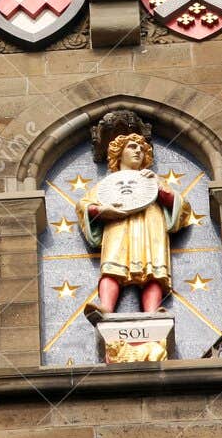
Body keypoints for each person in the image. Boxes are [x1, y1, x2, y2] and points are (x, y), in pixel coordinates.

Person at [79, 132, 187, 314]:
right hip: (118, 224)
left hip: (150, 223)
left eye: (142, 149)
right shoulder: (107, 184)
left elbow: (181, 206)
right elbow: (83, 205)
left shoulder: (153, 179)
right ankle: (105, 307)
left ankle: (153, 312)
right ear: (119, 153)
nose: (139, 151)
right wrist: (101, 211)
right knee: (112, 264)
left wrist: (159, 189)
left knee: (152, 268)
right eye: (132, 147)